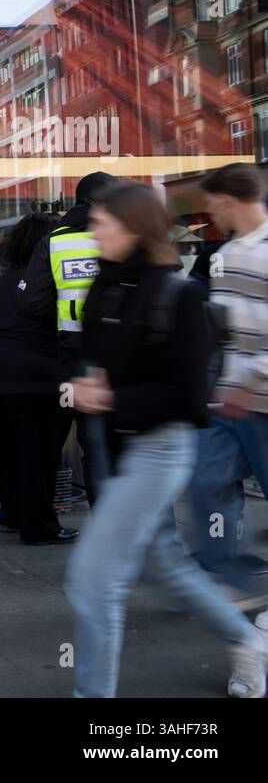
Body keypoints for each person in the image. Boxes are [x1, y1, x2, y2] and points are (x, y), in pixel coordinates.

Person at [64, 183, 267, 698]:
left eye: (102, 224)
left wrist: (110, 399)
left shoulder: (180, 295)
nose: (92, 232)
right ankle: (248, 640)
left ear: (133, 227)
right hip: (112, 449)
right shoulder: (104, 288)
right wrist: (87, 381)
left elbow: (189, 399)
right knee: (169, 567)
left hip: (158, 450)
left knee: (93, 580)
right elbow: (94, 359)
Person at [188, 164, 268, 606]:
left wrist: (251, 379)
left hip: (259, 399)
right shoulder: (224, 256)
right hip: (226, 400)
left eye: (211, 204)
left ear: (227, 201)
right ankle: (225, 577)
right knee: (206, 481)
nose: (208, 213)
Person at [0, 212, 76, 545]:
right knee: (40, 449)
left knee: (8, 443)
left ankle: (13, 515)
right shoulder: (52, 280)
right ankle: (40, 526)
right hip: (35, 370)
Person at [19, 171, 118, 504]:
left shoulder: (54, 240)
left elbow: (32, 302)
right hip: (124, 351)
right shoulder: (123, 234)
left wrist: (66, 313)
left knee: (92, 444)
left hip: (73, 350)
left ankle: (104, 521)